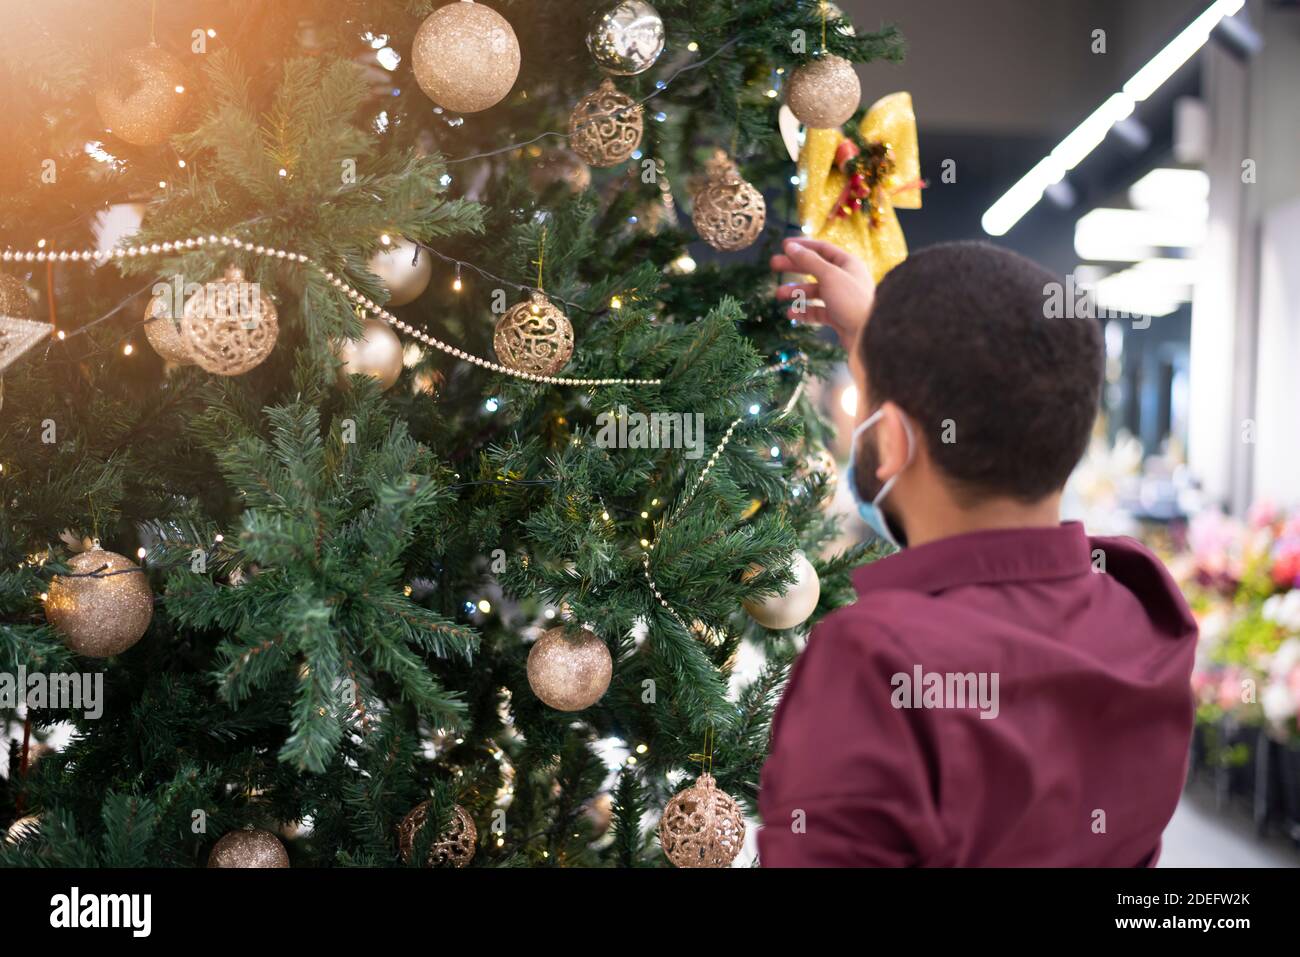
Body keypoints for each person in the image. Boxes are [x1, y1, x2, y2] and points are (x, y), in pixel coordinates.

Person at [757, 238, 1197, 867]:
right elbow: (979, 559)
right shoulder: (1141, 612)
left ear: (890, 437)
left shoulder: (875, 664)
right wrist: (881, 354)